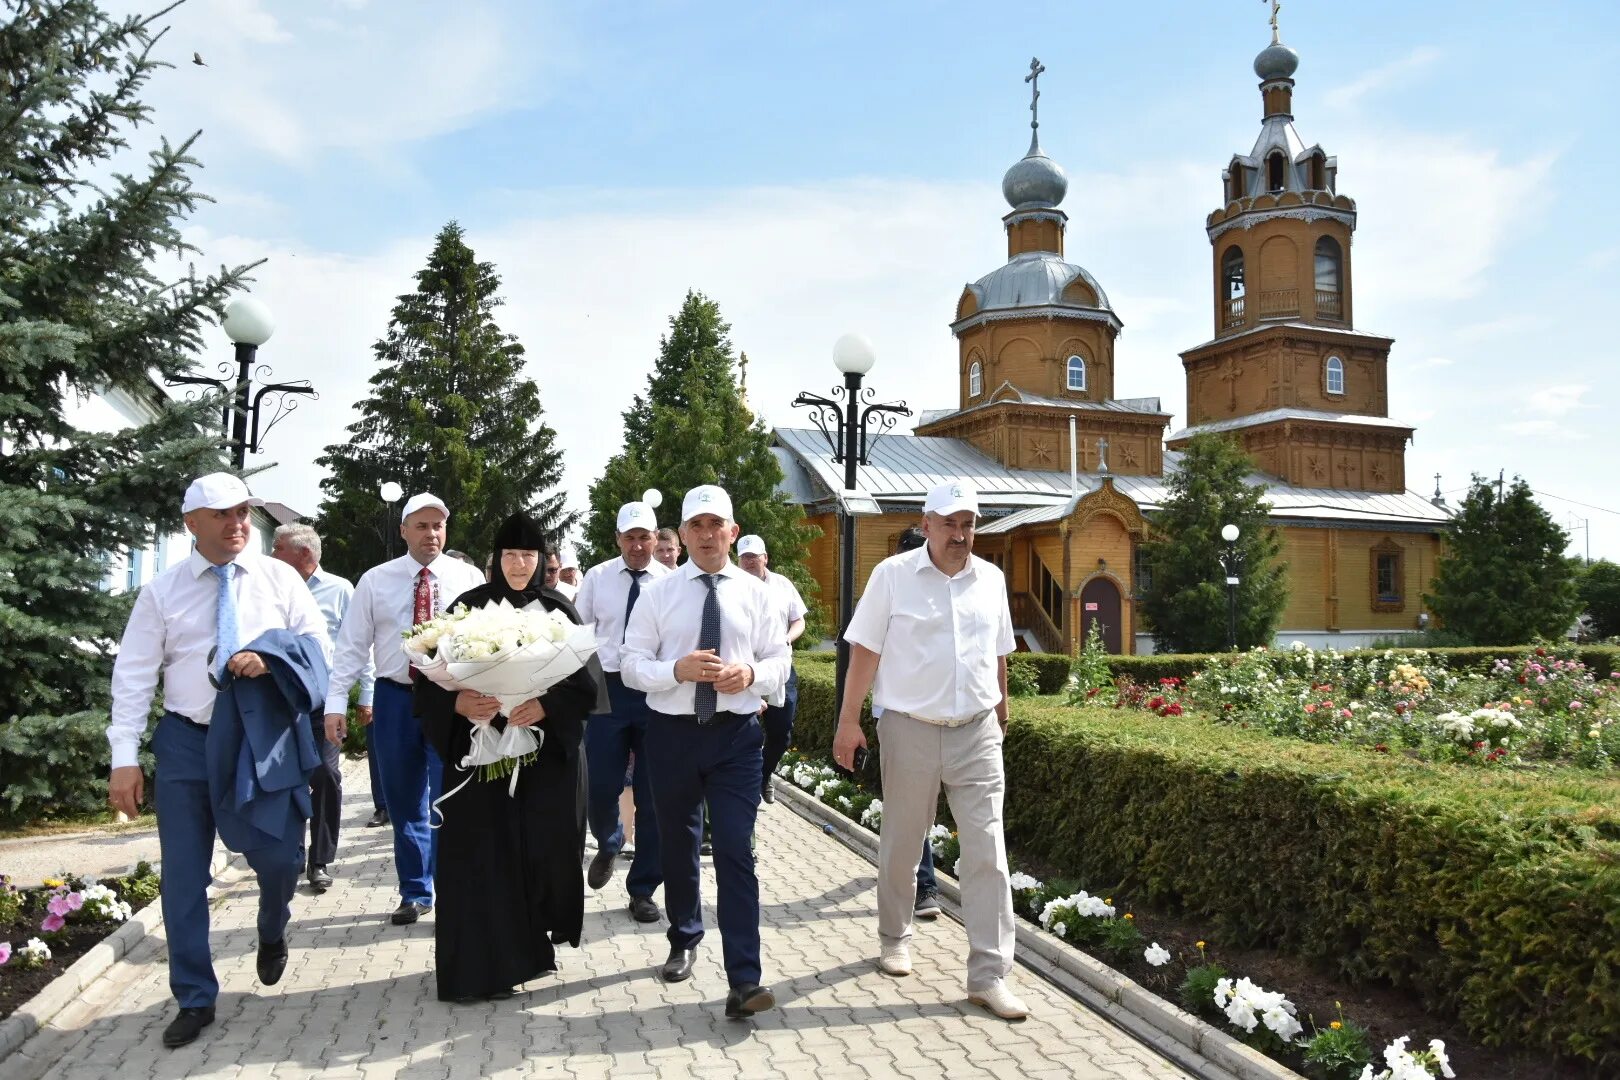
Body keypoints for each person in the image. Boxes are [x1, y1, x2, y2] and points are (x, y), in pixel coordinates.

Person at [108, 473, 332, 1049]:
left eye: (242, 514)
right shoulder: (161, 592)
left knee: (281, 858)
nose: (237, 525)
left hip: (262, 740)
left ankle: (272, 929)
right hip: (186, 741)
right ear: (192, 524)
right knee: (183, 875)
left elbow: (318, 646)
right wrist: (123, 758)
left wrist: (270, 655)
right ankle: (194, 996)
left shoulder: (279, 577)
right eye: (222, 515)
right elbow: (133, 675)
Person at [833, 481, 1027, 1021]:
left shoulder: (990, 579)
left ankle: (989, 975)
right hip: (909, 727)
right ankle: (895, 936)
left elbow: (999, 653)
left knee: (988, 852)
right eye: (949, 523)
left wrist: (1002, 713)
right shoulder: (892, 577)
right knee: (902, 841)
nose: (960, 534)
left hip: (977, 731)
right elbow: (864, 650)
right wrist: (849, 722)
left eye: (968, 524)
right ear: (926, 526)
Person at [621, 484, 790, 1019]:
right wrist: (675, 670)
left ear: (732, 532)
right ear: (685, 534)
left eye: (716, 524)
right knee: (678, 843)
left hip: (736, 740)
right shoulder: (660, 594)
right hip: (670, 735)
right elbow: (629, 664)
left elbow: (780, 662)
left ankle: (745, 979)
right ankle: (684, 936)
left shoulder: (759, 594)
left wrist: (752, 674)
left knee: (737, 850)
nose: (707, 534)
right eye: (696, 526)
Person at [412, 513, 597, 1003]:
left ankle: (530, 953)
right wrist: (457, 703)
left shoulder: (559, 611)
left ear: (541, 561)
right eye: (511, 555)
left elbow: (585, 688)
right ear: (496, 560)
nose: (520, 564)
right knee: (481, 856)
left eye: (529, 555)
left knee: (538, 854)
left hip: (540, 760)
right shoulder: (466, 609)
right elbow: (426, 680)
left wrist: (546, 706)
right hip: (480, 760)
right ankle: (477, 968)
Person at [324, 493, 485, 926]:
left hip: (452, 701)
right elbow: (352, 646)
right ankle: (415, 890)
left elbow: (488, 640)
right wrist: (336, 703)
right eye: (421, 526)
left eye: (438, 526)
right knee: (404, 799)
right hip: (396, 698)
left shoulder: (467, 577)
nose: (431, 534)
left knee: (449, 795)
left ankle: (455, 885)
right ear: (403, 531)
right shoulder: (376, 580)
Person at [573, 499, 669, 922]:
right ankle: (609, 840)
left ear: (656, 538)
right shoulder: (597, 577)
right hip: (607, 690)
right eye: (629, 538)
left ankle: (643, 889)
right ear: (617, 540)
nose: (637, 546)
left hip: (655, 691)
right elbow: (578, 632)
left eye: (644, 537)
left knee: (653, 795)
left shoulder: (671, 580)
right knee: (599, 785)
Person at [271, 524, 374, 894]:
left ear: (303, 554)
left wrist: (367, 695)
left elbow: (358, 645)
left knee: (326, 775)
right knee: (286, 777)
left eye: (277, 547)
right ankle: (292, 853)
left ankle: (320, 860)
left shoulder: (341, 590)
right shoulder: (270, 587)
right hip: (279, 698)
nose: (271, 554)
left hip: (323, 701)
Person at [889, 525, 943, 921]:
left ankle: (920, 882)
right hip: (897, 720)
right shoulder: (888, 588)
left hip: (942, 720)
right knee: (910, 810)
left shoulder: (947, 593)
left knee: (919, 811)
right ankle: (921, 884)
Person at [736, 534, 807, 804]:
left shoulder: (782, 585)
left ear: (765, 558)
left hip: (779, 667)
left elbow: (798, 620)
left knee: (782, 730)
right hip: (745, 667)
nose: (750, 562)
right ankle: (748, 782)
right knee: (746, 730)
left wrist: (787, 639)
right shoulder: (733, 585)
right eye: (745, 557)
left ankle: (764, 775)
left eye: (755, 557)